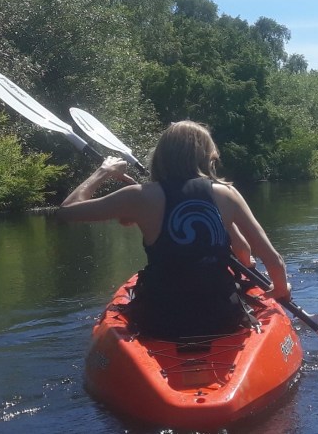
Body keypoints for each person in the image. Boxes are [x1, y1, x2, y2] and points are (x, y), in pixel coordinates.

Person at [57, 120, 290, 340]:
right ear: (206, 158)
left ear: (160, 157)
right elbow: (272, 259)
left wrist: (104, 171)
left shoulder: (138, 195)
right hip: (221, 317)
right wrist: (280, 290)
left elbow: (67, 211)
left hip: (159, 320)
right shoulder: (227, 195)